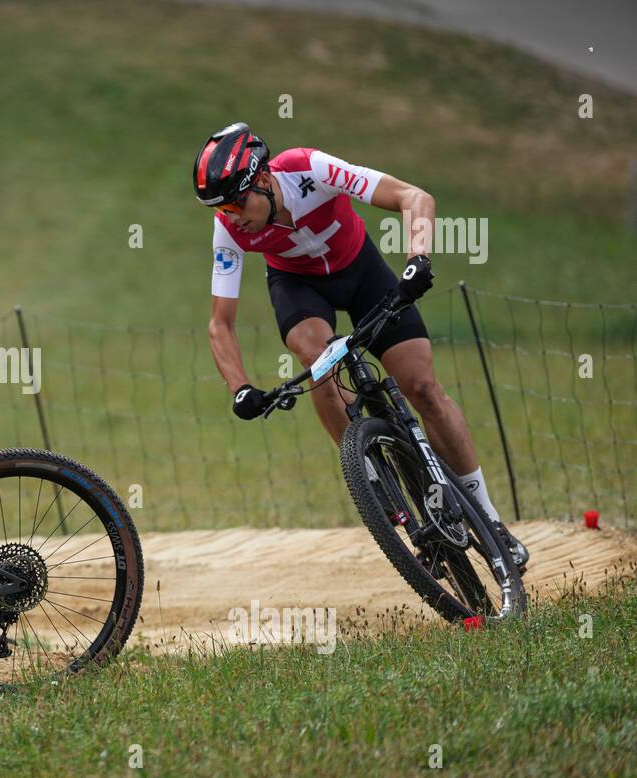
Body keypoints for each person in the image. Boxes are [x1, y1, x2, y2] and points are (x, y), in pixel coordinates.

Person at [194, 122, 528, 570]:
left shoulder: (308, 168)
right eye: (220, 208)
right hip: (299, 288)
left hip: (362, 272)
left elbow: (415, 198)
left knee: (423, 387)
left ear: (263, 180)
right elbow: (221, 324)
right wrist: (240, 388)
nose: (231, 216)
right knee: (318, 360)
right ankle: (376, 481)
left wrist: (418, 260)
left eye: (235, 202)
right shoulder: (230, 231)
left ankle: (489, 518)